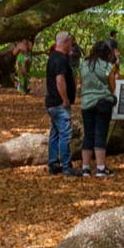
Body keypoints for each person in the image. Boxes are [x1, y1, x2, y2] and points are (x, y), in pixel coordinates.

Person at [77, 39, 119, 177]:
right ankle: (101, 168)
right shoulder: (108, 67)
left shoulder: (84, 66)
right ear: (107, 53)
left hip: (86, 103)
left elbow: (81, 83)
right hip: (102, 103)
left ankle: (85, 168)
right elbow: (113, 87)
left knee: (88, 135)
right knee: (100, 134)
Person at [45, 31, 81, 176]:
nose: (71, 45)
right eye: (70, 42)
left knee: (54, 134)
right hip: (59, 103)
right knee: (65, 134)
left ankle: (53, 163)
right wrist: (65, 99)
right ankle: (66, 166)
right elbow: (60, 80)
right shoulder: (60, 59)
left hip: (51, 102)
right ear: (65, 42)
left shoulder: (52, 57)